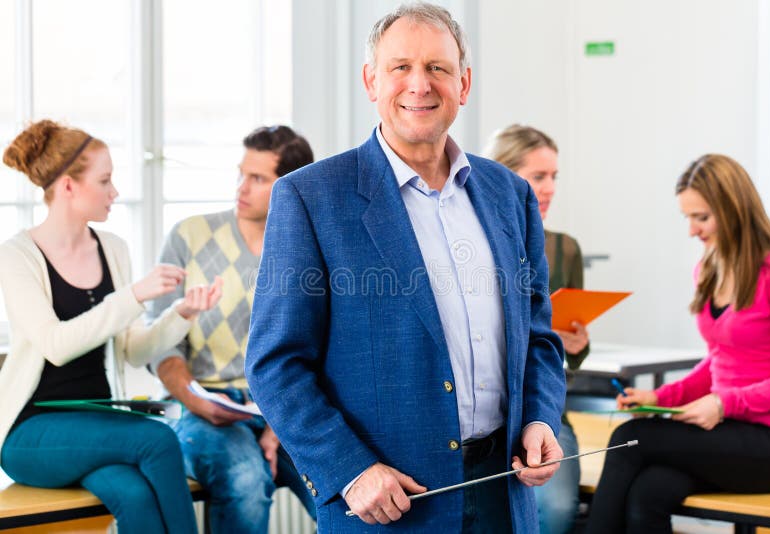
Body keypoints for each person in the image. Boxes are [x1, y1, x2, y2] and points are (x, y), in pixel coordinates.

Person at [245, 4, 566, 533]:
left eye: (438, 68)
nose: (420, 84)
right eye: (400, 67)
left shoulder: (510, 195)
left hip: (503, 493)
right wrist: (351, 471)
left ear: (463, 84)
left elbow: (538, 337)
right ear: (371, 80)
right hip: (387, 505)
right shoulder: (309, 197)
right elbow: (275, 363)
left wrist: (539, 418)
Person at [0, 120, 222, 534]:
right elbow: (55, 344)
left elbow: (132, 350)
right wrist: (134, 295)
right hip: (30, 433)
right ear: (67, 186)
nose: (115, 192)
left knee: (135, 495)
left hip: (98, 421)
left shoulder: (113, 249)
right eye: (105, 181)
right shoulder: (16, 257)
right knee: (157, 440)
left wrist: (182, 314)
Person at [585, 154, 770, 534]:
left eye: (701, 218)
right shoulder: (708, 269)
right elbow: (719, 359)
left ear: (733, 210)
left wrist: (723, 402)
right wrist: (660, 399)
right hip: (724, 435)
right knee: (649, 493)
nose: (691, 230)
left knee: (628, 437)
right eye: (687, 218)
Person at [147, 125, 316, 533]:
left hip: (286, 404)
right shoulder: (190, 235)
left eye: (257, 179)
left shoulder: (309, 244)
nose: (241, 187)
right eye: (241, 174)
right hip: (202, 405)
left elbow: (318, 348)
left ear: (289, 185)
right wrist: (194, 398)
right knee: (244, 481)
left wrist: (278, 428)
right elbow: (159, 344)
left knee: (348, 486)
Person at [486, 124, 588, 534]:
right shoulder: (469, 244)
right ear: (503, 176)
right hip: (486, 416)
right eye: (538, 176)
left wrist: (576, 347)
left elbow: (564, 358)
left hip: (543, 411)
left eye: (554, 178)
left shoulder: (564, 248)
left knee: (556, 509)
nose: (548, 189)